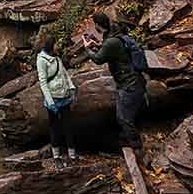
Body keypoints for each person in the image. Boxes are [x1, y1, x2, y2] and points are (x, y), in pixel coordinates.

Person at [83, 12, 146, 156]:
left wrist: (88, 49)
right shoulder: (114, 33)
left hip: (130, 83)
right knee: (121, 114)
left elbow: (99, 59)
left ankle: (137, 147)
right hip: (128, 81)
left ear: (98, 25)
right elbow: (110, 49)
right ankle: (125, 139)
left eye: (95, 25)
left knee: (123, 117)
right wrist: (97, 45)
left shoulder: (112, 41)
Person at [37, 34, 77, 168]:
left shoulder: (57, 58)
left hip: (64, 96)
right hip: (53, 99)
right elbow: (43, 82)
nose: (58, 46)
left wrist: (71, 87)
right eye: (56, 44)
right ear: (50, 45)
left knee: (68, 126)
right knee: (55, 128)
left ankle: (72, 154)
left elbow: (65, 74)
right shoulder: (42, 60)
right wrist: (50, 102)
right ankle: (56, 157)